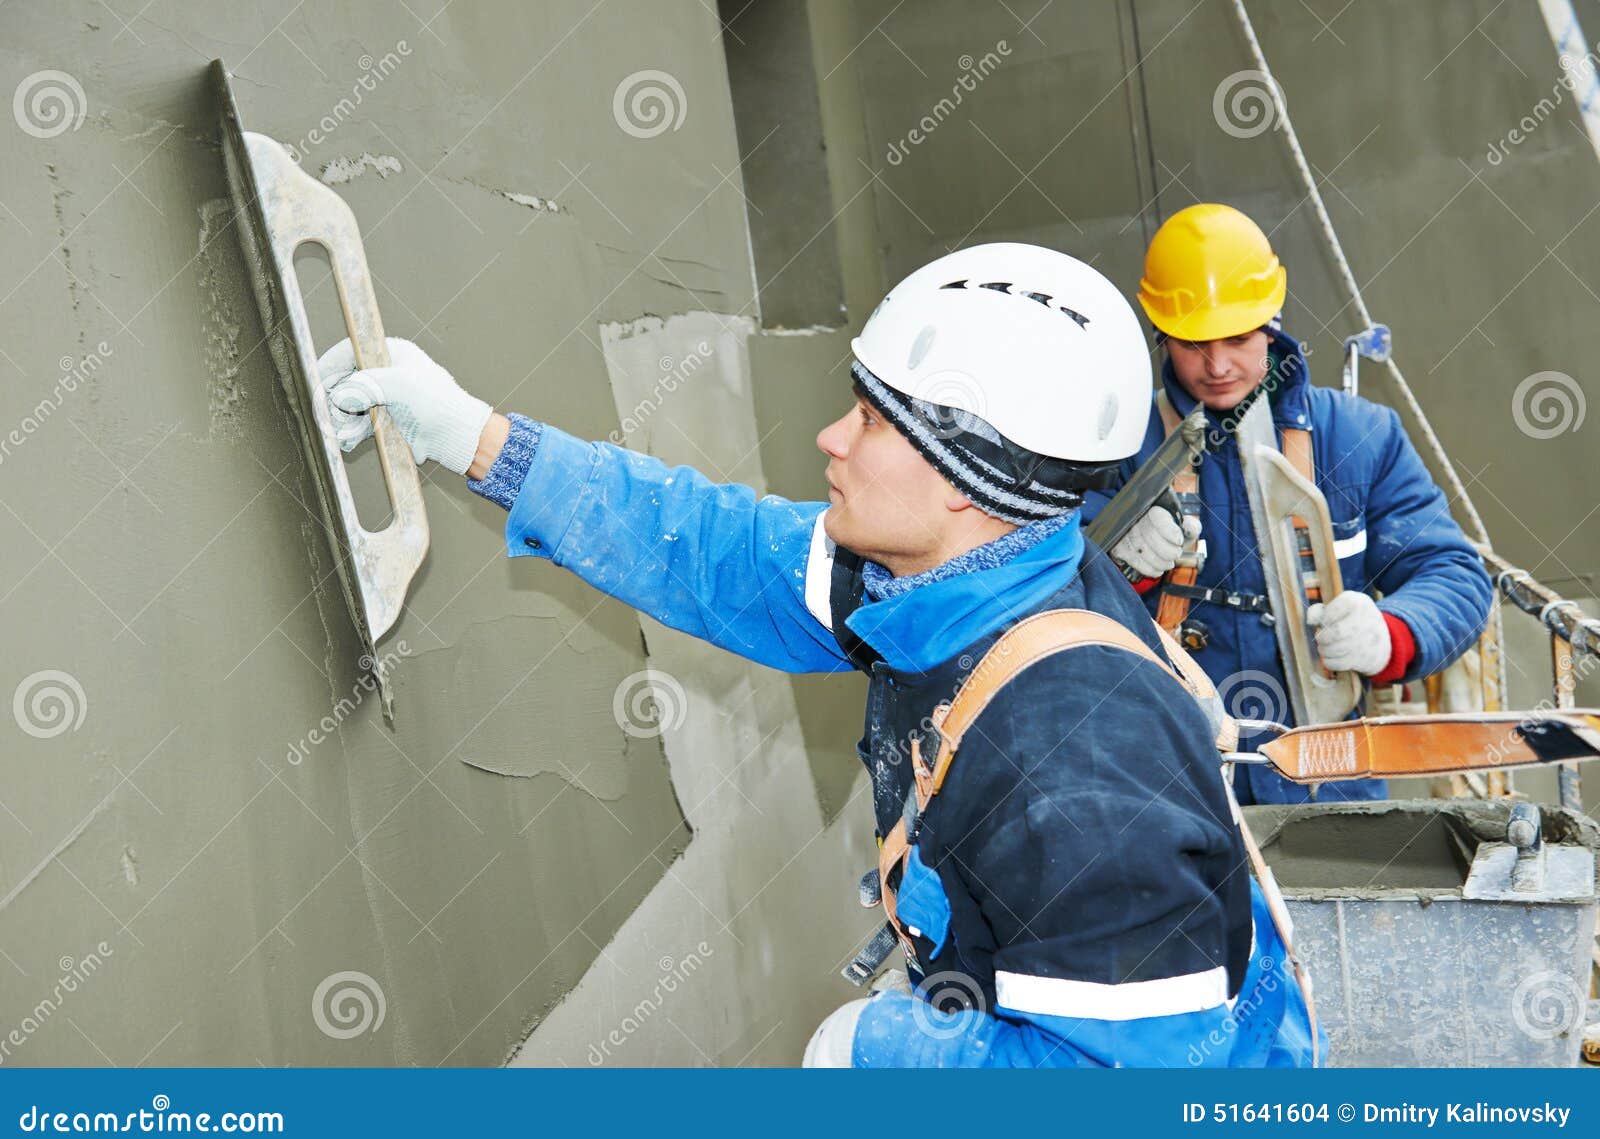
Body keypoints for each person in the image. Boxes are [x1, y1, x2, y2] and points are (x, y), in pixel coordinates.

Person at [317, 242, 1316, 1067]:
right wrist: (473, 438)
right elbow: (709, 548)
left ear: (965, 481)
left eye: (874, 422)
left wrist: (883, 1053)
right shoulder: (940, 581)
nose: (831, 437)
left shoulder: (1073, 756)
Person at [1091, 203, 1493, 804]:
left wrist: (1391, 634)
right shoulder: (1118, 445)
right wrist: (1114, 563)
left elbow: (1453, 574)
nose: (1218, 365)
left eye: (1238, 338)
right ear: (1163, 335)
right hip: (1167, 784)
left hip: (1329, 778)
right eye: (1194, 343)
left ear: (1272, 323)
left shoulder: (1360, 436)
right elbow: (1041, 597)